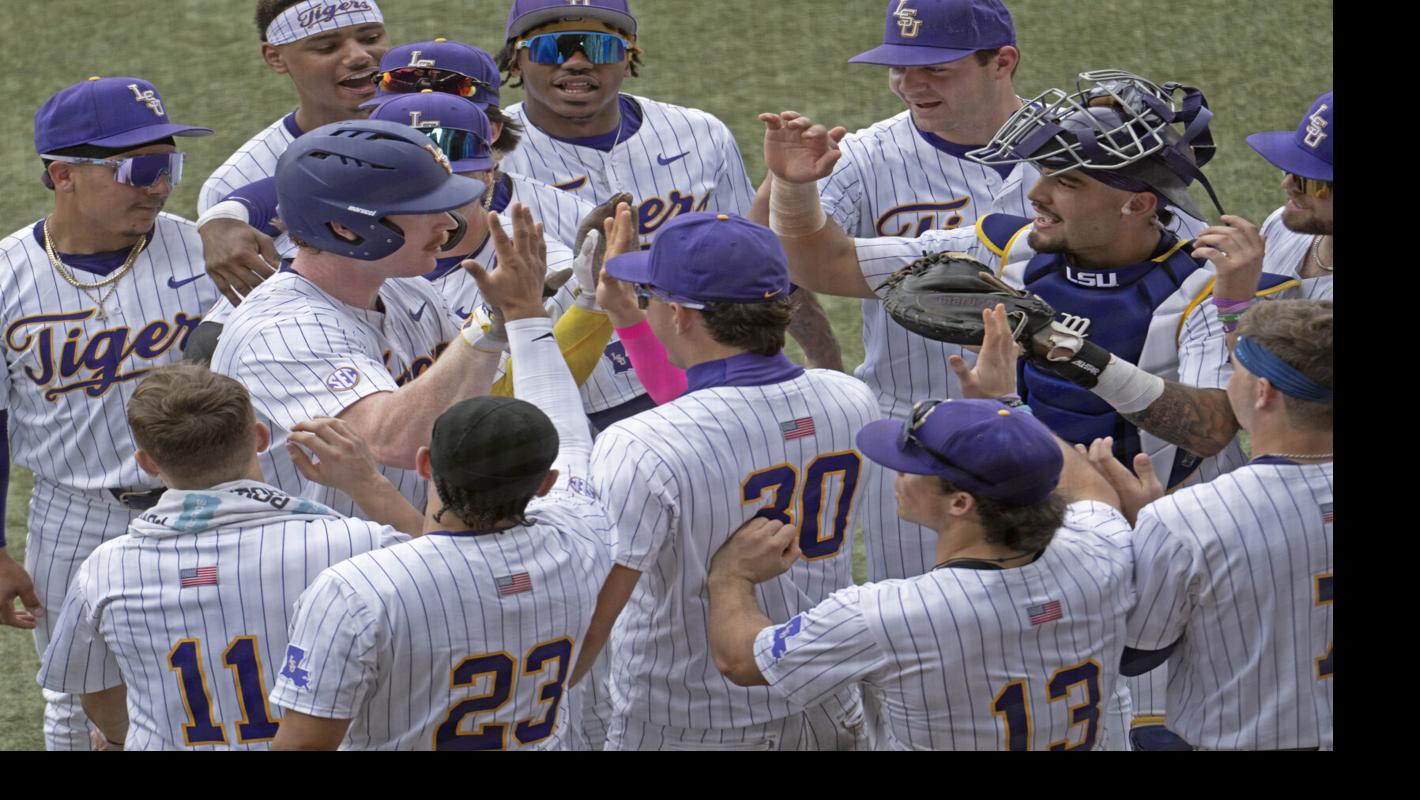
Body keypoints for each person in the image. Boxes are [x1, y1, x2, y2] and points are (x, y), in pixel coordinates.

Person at [267, 215, 615, 750]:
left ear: (425, 463)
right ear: (544, 484)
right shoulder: (583, 539)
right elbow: (568, 431)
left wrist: (518, 313)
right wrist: (528, 313)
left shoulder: (358, 590)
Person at [573, 210, 880, 751]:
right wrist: (628, 318)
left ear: (677, 313)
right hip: (828, 703)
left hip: (695, 720)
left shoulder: (637, 444)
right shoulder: (850, 399)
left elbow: (594, 618)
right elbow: (716, 417)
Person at [707, 385, 1135, 750]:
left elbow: (741, 661)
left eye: (912, 466)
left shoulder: (888, 616)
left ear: (960, 502)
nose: (897, 471)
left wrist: (732, 576)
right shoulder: (1100, 549)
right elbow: (1091, 489)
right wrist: (1008, 412)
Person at [495, 0, 843, 429]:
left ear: (629, 57)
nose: (576, 62)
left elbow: (758, 265)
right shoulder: (490, 161)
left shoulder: (699, 135)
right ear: (516, 58)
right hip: (572, 402)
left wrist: (824, 356)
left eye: (601, 47)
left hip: (713, 385)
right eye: (552, 47)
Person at [0, 76, 219, 750]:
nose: (158, 186)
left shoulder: (208, 254)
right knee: (73, 700)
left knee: (215, 675)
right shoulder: (7, 276)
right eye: (138, 168)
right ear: (63, 174)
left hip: (207, 502)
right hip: (75, 511)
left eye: (168, 165)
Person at [34, 364, 415, 751]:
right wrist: (370, 485)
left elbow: (96, 691)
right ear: (260, 437)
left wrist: (118, 740)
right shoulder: (357, 544)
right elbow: (457, 571)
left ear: (147, 463)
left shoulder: (105, 571)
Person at [210, 119, 513, 519]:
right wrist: (488, 324)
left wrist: (584, 298)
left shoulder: (406, 289)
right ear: (346, 227)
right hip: (314, 568)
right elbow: (395, 442)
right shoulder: (280, 332)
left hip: (404, 546)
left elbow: (484, 399)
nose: (450, 223)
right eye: (425, 210)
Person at [1096, 299, 1333, 750]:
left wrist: (1137, 531)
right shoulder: (1189, 517)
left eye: (1234, 367)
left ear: (1263, 392)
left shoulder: (1189, 517)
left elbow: (1137, 653)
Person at [197, 0, 390, 305]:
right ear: (275, 57)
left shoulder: (441, 125)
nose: (359, 56)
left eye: (370, 38)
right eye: (327, 47)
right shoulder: (234, 182)